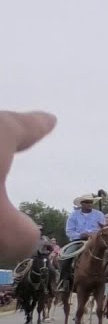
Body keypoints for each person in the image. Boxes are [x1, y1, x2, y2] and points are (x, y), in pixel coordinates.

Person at [0, 111, 57, 262]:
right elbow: (72, 231)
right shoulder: (75, 216)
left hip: (93, 239)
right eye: (86, 202)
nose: (87, 204)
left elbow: (51, 249)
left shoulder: (45, 240)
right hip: (78, 240)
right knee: (69, 258)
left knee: (51, 268)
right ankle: (66, 274)